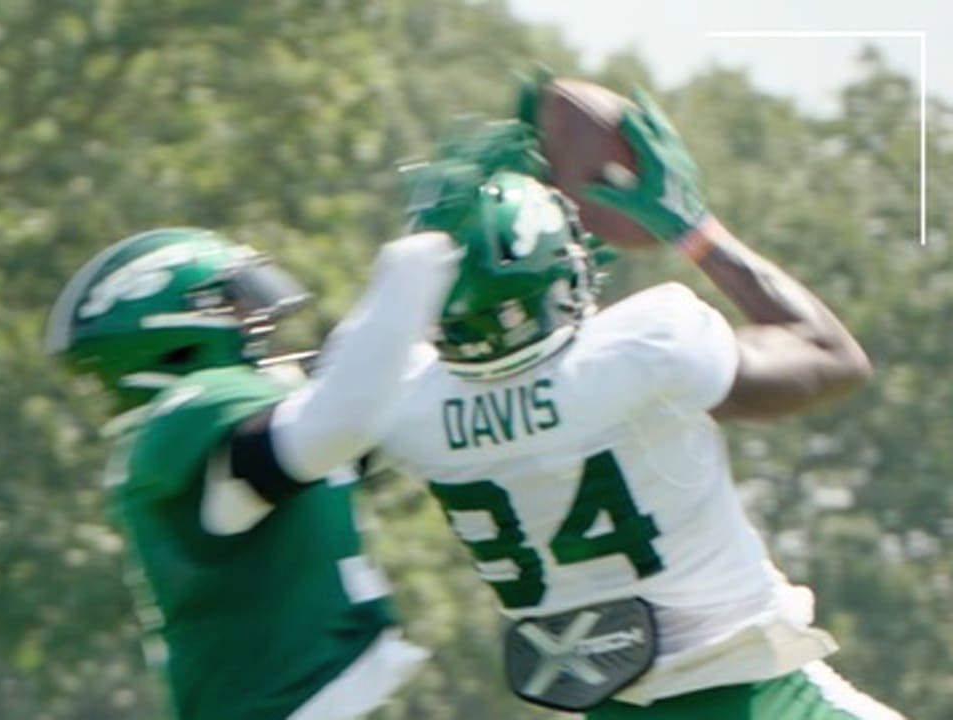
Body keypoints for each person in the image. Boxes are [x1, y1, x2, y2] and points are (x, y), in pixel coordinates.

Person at [381, 85, 907, 718]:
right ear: (563, 268)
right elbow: (832, 359)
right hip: (753, 695)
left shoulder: (404, 408)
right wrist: (696, 229)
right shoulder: (644, 345)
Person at [43, 226, 460, 719]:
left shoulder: (198, 422)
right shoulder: (182, 417)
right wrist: (419, 260)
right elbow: (342, 419)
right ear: (172, 329)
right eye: (232, 306)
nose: (255, 322)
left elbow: (375, 396)